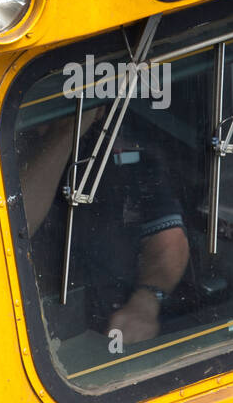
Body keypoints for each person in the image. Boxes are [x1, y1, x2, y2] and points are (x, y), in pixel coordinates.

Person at [19, 105, 189, 345]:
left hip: (115, 320)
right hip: (34, 331)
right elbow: (15, 226)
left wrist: (147, 300)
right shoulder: (3, 145)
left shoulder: (122, 153)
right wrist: (66, 131)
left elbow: (169, 237)